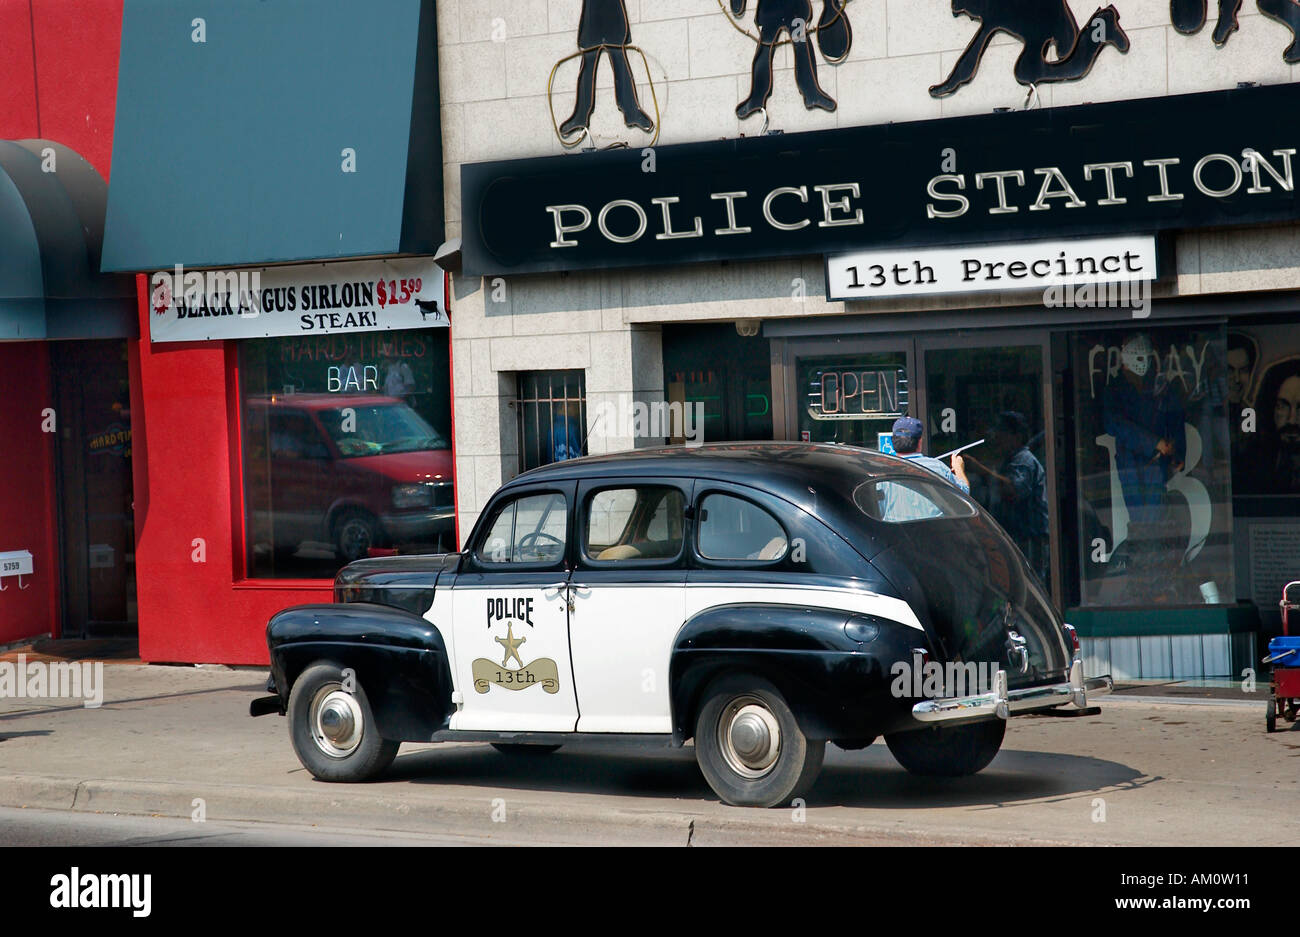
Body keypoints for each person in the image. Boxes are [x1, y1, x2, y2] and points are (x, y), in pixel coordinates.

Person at [966, 411, 1049, 583]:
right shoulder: (1008, 460)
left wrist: (981, 470)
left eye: (1001, 432)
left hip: (1028, 540)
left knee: (1029, 583)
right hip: (1015, 537)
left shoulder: (1024, 460)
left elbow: (1014, 489)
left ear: (1016, 436)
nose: (996, 437)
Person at [874, 416, 971, 522]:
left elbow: (878, 511)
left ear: (892, 441)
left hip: (895, 536)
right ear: (920, 442)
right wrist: (958, 467)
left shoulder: (882, 473)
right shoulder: (937, 468)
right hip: (932, 535)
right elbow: (964, 494)